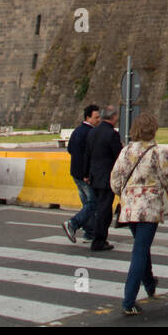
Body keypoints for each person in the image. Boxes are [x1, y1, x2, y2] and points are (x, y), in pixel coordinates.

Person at [109, 112, 168, 316]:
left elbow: (115, 180)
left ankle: (150, 283)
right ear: (153, 129)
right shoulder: (158, 152)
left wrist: (126, 195)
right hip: (149, 209)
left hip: (129, 208)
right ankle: (128, 300)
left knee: (142, 247)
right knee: (140, 251)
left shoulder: (126, 151)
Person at [85, 105, 122, 252]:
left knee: (99, 208)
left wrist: (87, 174)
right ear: (113, 117)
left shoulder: (93, 133)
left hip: (94, 176)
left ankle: (96, 236)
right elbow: (119, 157)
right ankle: (99, 240)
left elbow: (87, 154)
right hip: (107, 178)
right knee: (104, 211)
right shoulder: (112, 134)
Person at [63, 104, 100, 242]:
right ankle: (73, 224)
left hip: (75, 173)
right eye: (96, 117)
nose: (98, 120)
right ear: (88, 117)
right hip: (84, 176)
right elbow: (90, 156)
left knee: (87, 204)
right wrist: (87, 174)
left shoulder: (77, 131)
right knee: (92, 204)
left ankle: (90, 232)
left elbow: (70, 149)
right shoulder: (91, 133)